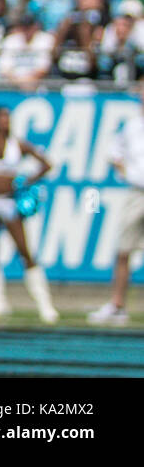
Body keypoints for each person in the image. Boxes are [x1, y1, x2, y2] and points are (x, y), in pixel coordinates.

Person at [0, 105, 57, 323]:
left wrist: (25, 181)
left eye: (7, 118)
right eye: (1, 118)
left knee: (25, 251)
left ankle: (44, 304)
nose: (5, 122)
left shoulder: (17, 143)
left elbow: (46, 164)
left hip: (9, 201)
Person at [89, 80, 144, 325]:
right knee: (124, 250)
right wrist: (129, 172)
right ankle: (117, 305)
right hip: (137, 192)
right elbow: (114, 154)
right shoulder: (132, 126)